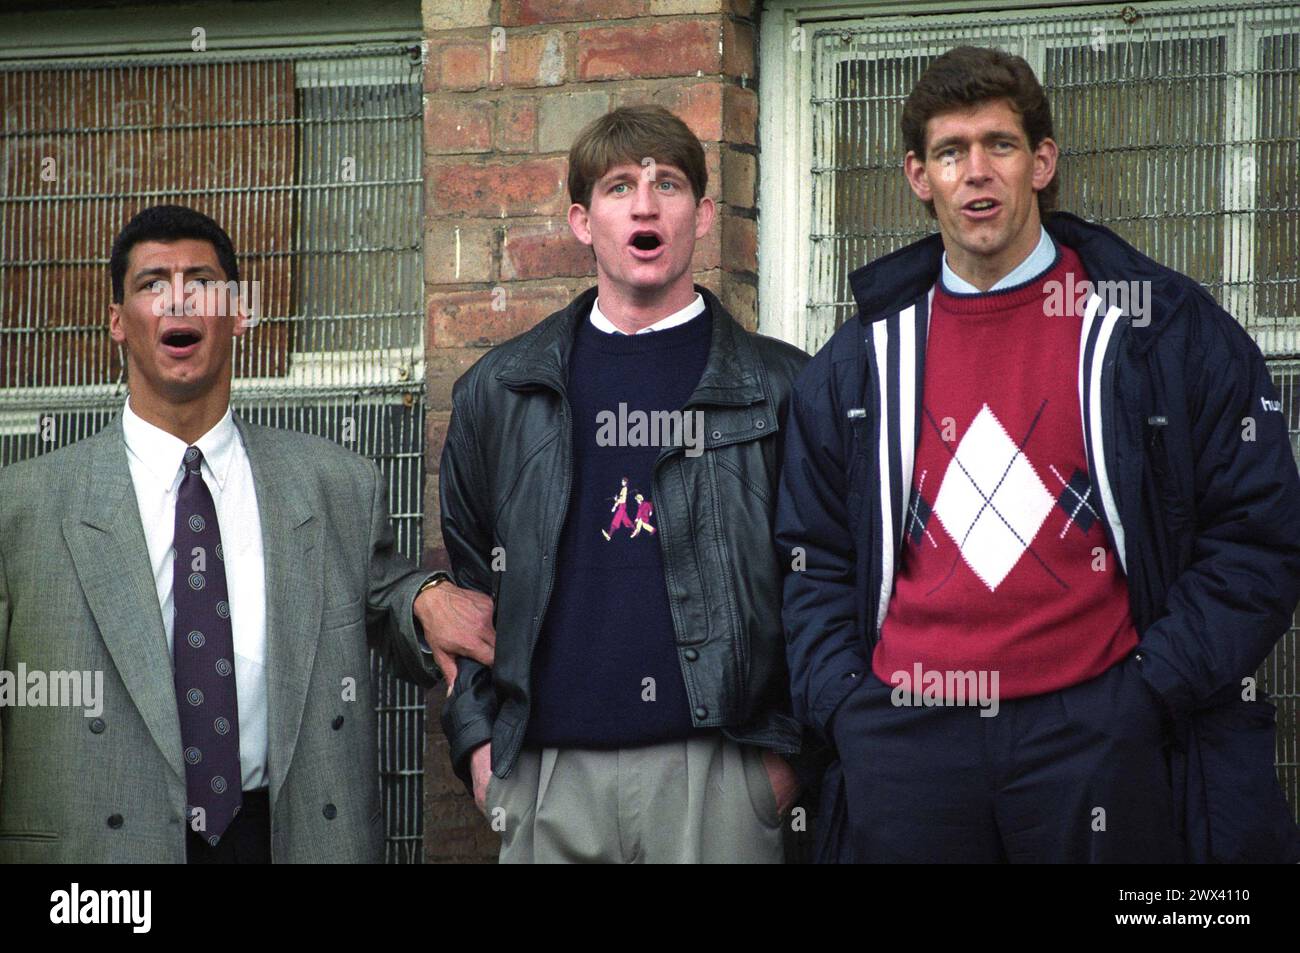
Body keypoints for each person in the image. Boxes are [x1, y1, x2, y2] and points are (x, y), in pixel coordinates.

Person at [776, 46, 1300, 863]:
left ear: (1042, 162)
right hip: (907, 747)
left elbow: (1256, 535)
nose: (976, 171)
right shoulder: (861, 362)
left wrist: (1148, 692)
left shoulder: (1154, 331)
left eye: (1000, 145)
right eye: (951, 152)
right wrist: (850, 709)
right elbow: (811, 559)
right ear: (920, 176)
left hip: (1095, 734)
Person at [0, 205, 494, 863]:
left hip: (286, 836)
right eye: (152, 283)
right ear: (117, 321)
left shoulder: (333, 484)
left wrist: (427, 593)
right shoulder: (23, 505)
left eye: (201, 281)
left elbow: (381, 594)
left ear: (237, 313)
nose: (179, 299)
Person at [439, 105, 809, 863]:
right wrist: (481, 753)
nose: (645, 204)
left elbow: (828, 581)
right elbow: (473, 591)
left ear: (702, 214)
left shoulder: (781, 387)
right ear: (582, 221)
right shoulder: (502, 389)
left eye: (667, 184)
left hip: (719, 773)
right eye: (618, 187)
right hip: (547, 775)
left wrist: (788, 763)